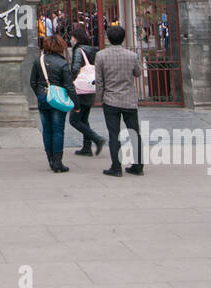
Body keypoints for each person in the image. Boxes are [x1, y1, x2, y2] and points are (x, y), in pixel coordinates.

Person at [95, 24, 143, 177]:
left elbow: (99, 80)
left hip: (111, 100)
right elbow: (137, 73)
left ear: (108, 38)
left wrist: (99, 98)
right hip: (129, 99)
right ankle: (138, 165)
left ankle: (116, 167)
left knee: (113, 134)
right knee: (134, 133)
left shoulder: (101, 55)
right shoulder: (131, 55)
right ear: (124, 38)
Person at [29, 34, 77, 172]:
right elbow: (69, 86)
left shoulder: (39, 61)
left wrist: (40, 93)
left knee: (47, 129)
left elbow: (33, 81)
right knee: (58, 130)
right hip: (57, 98)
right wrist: (76, 104)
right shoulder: (62, 63)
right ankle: (57, 161)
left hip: (43, 96)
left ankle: (50, 158)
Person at [68, 24, 106, 157]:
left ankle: (97, 139)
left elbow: (75, 68)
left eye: (72, 37)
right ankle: (87, 147)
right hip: (91, 87)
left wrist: (69, 81)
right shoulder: (94, 50)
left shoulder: (79, 50)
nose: (70, 40)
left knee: (74, 120)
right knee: (84, 118)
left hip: (80, 89)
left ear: (77, 38)